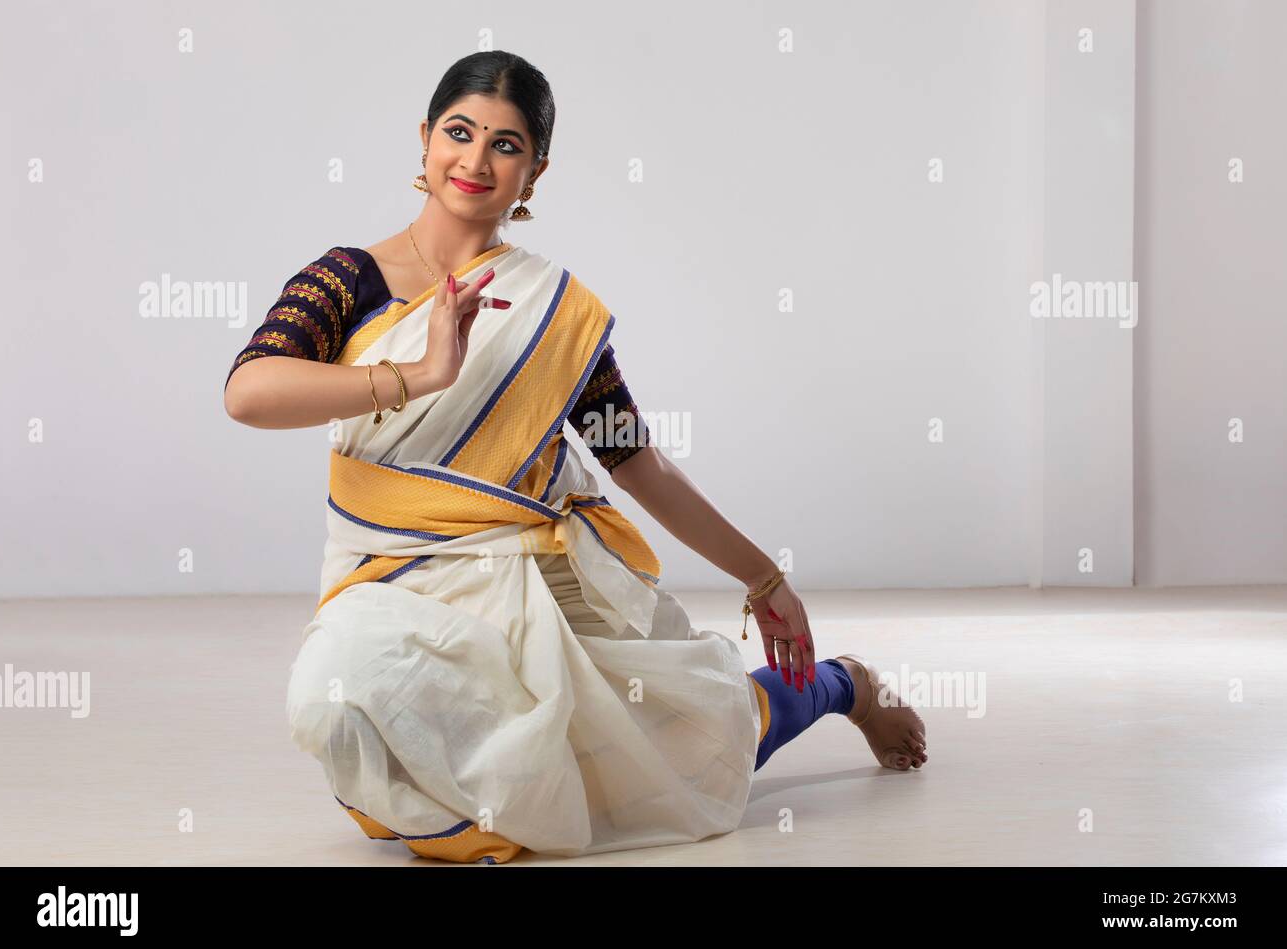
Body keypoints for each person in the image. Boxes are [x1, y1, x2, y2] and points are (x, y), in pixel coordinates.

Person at [223, 50, 926, 864]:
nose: (476, 161)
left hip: (536, 585)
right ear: (423, 139)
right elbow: (249, 392)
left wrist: (763, 576)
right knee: (335, 703)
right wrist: (420, 374)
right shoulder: (349, 279)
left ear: (537, 171)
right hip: (392, 581)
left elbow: (636, 464)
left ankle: (845, 685)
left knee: (696, 746)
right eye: (459, 132)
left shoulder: (553, 311)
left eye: (507, 145)